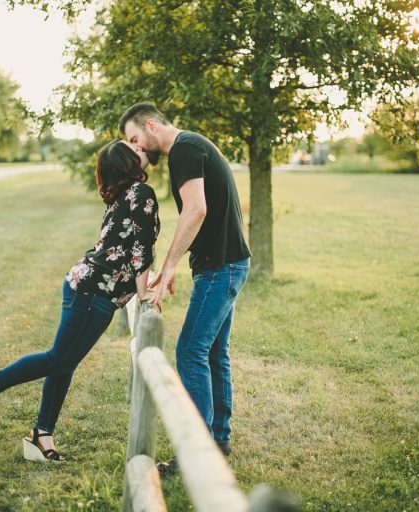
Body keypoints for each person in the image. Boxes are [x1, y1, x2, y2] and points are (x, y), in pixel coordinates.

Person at [0, 139, 160, 462]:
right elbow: (140, 252)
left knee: (64, 361)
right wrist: (146, 290)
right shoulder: (140, 193)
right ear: (127, 163)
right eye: (132, 148)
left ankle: (42, 434)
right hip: (95, 291)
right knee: (58, 359)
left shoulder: (125, 195)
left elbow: (127, 247)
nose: (139, 148)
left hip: (88, 287)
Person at [119, 102, 251, 474]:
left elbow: (196, 210)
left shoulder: (184, 150)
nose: (137, 149)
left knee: (191, 350)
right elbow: (196, 214)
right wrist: (176, 260)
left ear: (149, 125)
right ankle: (217, 441)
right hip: (228, 263)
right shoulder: (190, 146)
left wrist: (171, 262)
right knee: (213, 352)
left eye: (134, 140)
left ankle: (198, 452)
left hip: (221, 268)